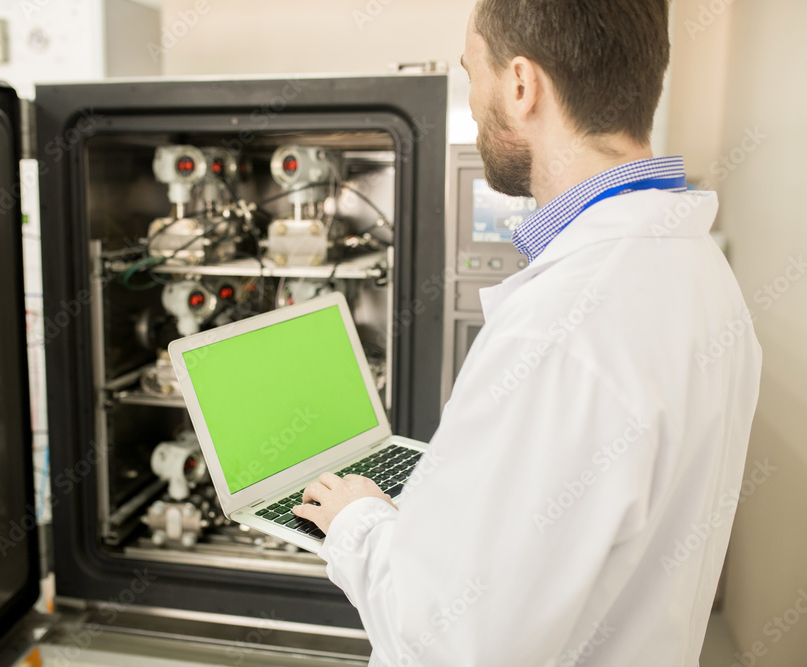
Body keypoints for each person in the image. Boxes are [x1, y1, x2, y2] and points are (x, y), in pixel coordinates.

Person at [291, 0, 763, 664]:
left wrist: (357, 524)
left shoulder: (560, 331)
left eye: (471, 73)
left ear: (520, 85)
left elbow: (454, 643)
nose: (475, 100)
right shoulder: (700, 269)